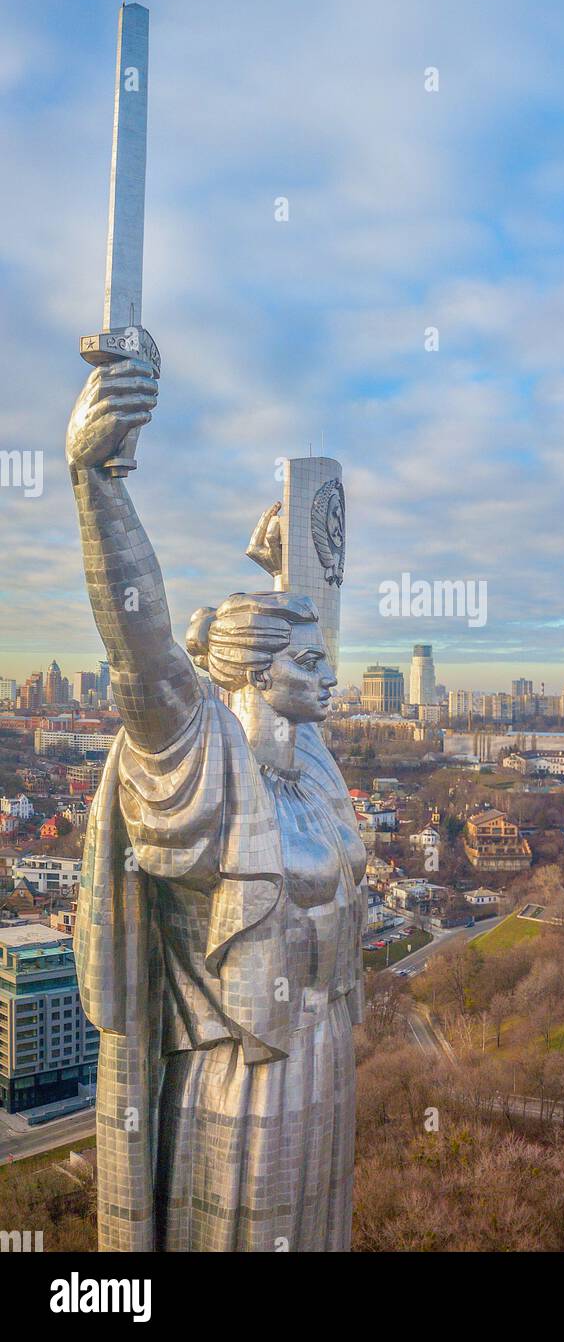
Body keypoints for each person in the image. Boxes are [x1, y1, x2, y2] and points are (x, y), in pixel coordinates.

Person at [66, 358, 366, 1252]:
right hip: (243, 1085)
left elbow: (308, 620)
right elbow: (142, 644)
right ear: (250, 674)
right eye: (307, 664)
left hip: (324, 1067)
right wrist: (96, 481)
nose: (330, 674)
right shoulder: (200, 766)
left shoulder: (306, 763)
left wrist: (289, 568)